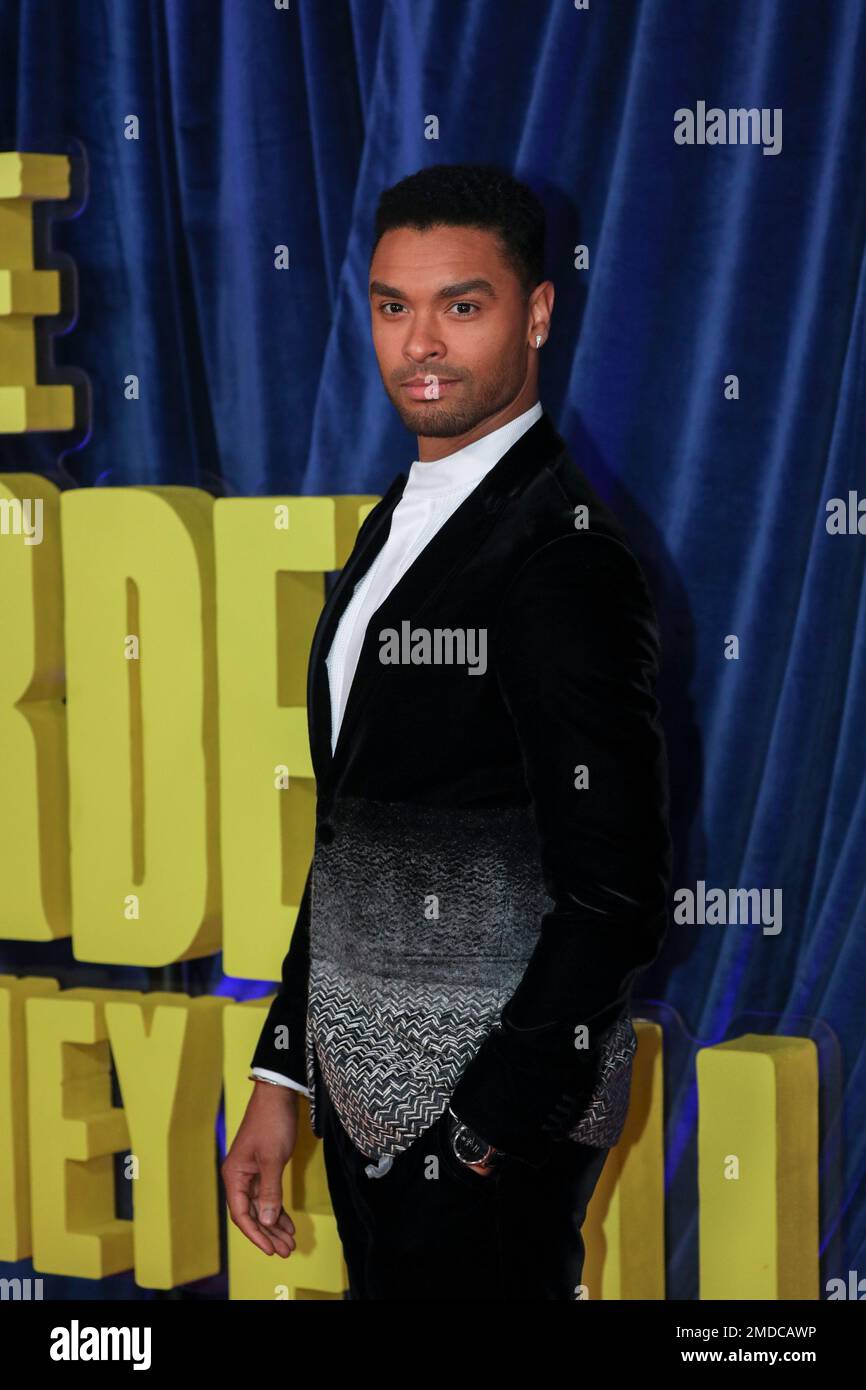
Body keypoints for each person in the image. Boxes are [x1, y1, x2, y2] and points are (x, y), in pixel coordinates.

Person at [222, 163, 671, 1300]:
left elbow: (613, 898)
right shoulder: (402, 519)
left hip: (479, 1142)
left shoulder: (561, 559)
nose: (418, 342)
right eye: (391, 305)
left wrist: (478, 1136)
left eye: (459, 306)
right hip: (367, 1103)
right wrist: (285, 1070)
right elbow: (352, 834)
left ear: (533, 314)